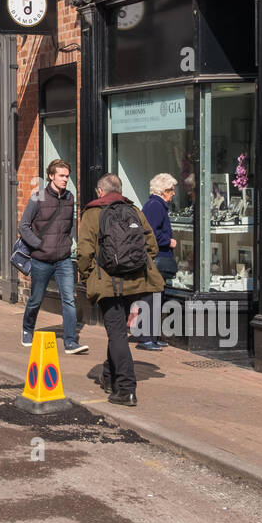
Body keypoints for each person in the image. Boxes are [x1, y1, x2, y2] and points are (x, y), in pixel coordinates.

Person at [76, 173, 163, 408]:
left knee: (116, 334)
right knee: (118, 333)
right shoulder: (133, 210)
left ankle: (126, 389)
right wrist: (134, 267)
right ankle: (109, 376)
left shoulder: (93, 213)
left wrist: (88, 275)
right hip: (135, 282)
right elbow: (151, 246)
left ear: (100, 191)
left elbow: (84, 253)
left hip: (107, 283)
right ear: (120, 190)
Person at [18, 160, 88, 356]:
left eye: (67, 176)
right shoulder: (37, 198)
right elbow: (23, 226)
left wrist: (68, 242)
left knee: (69, 299)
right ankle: (27, 329)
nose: (65, 179)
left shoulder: (69, 198)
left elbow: (70, 224)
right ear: (51, 176)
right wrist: (38, 245)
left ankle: (71, 342)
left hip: (63, 259)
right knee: (36, 299)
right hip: (41, 259)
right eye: (61, 175)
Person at [139, 172, 178, 351]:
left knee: (157, 297)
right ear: (163, 191)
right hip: (157, 258)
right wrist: (168, 241)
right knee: (152, 298)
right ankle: (147, 338)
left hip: (159, 258)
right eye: (171, 190)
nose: (173, 194)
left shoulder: (156, 204)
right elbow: (151, 233)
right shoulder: (155, 206)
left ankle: (153, 337)